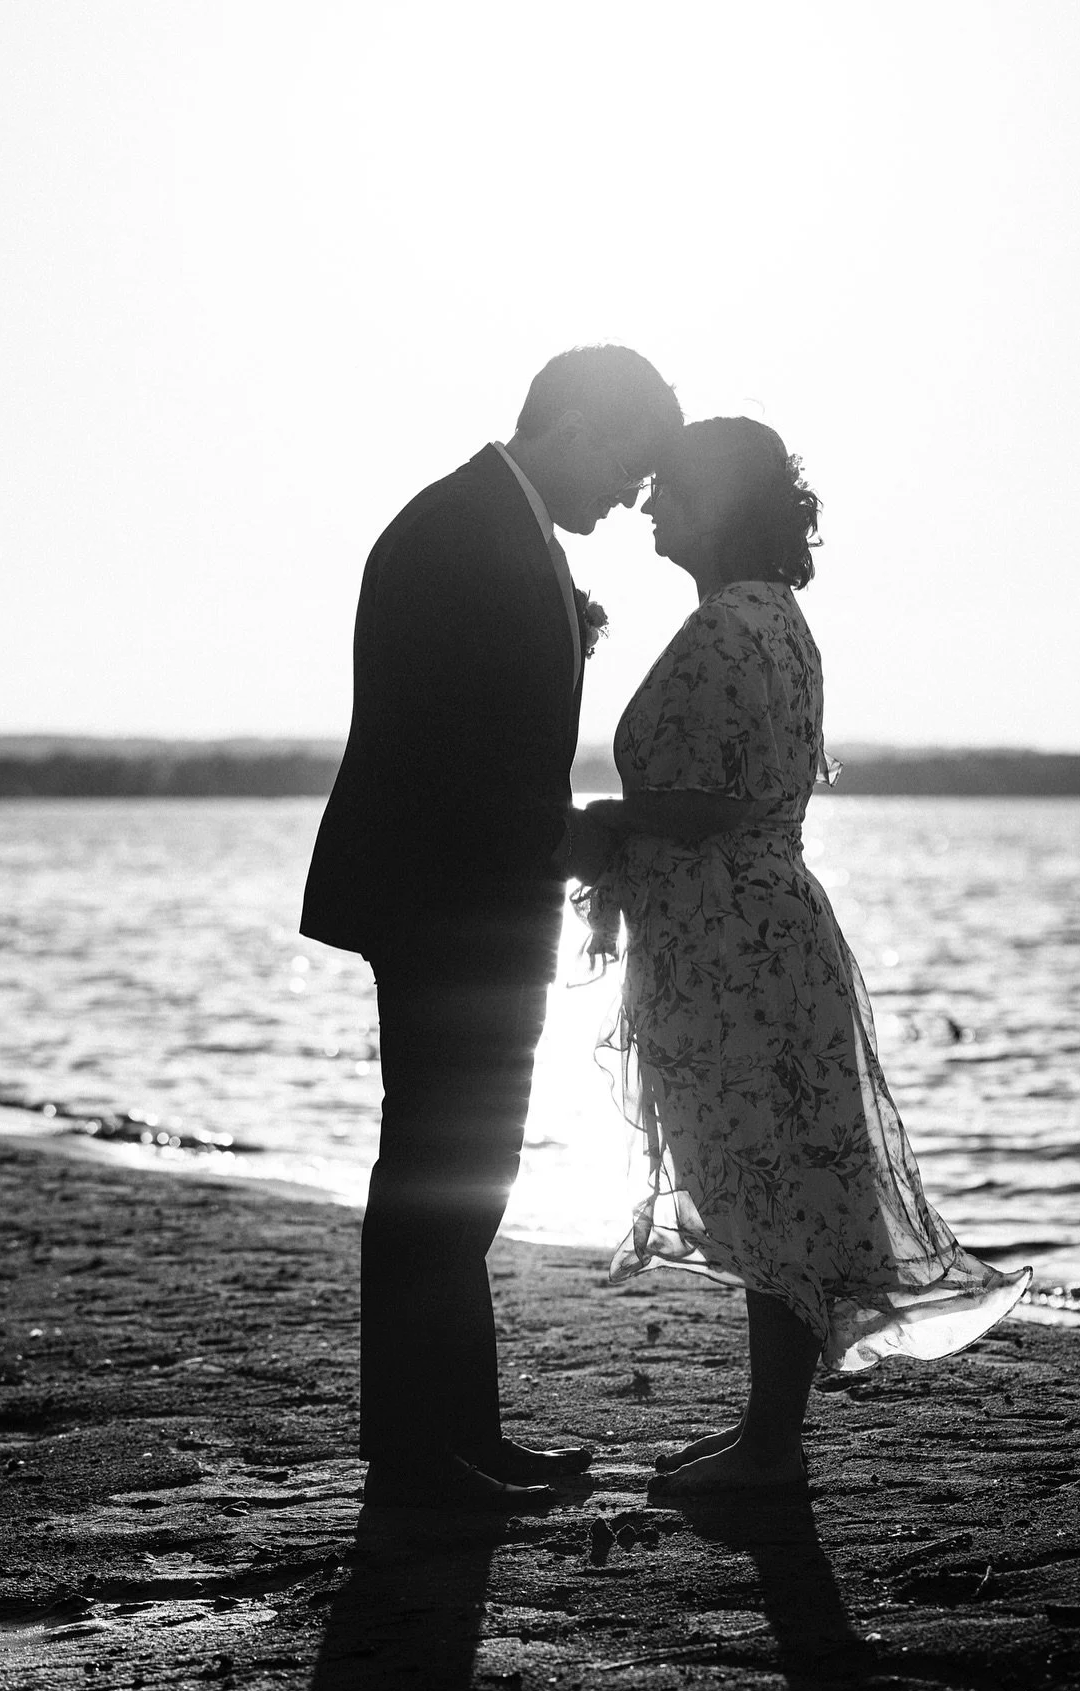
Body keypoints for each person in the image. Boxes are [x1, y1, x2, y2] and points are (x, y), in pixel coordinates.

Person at [571, 417, 1030, 1496]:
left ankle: (770, 1446)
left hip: (735, 941)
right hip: (757, 930)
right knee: (763, 1175)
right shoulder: (774, 617)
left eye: (672, 489)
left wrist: (589, 824)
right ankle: (766, 1433)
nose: (650, 507)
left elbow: (709, 805)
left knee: (762, 1178)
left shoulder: (730, 626)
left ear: (721, 505)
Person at [301, 346, 683, 1510]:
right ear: (572, 426)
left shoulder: (501, 529)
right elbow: (450, 754)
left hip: (477, 903)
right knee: (437, 1172)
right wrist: (578, 840)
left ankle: (462, 1435)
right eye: (624, 467)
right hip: (444, 907)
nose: (626, 498)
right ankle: (418, 1454)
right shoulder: (456, 535)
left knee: (471, 1173)